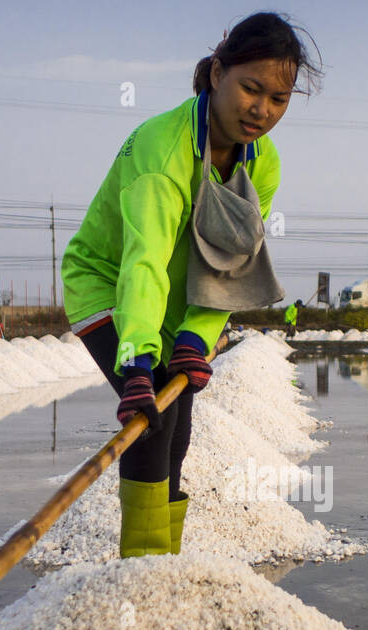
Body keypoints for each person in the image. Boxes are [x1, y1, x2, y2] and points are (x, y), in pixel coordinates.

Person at [61, 13, 321, 557]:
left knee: (176, 429)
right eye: (251, 88)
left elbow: (231, 263)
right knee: (151, 420)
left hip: (177, 303)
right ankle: (142, 566)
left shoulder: (262, 164)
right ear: (217, 73)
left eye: (279, 98)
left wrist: (195, 339)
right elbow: (144, 265)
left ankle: (163, 564)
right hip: (111, 290)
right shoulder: (163, 151)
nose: (262, 110)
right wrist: (136, 360)